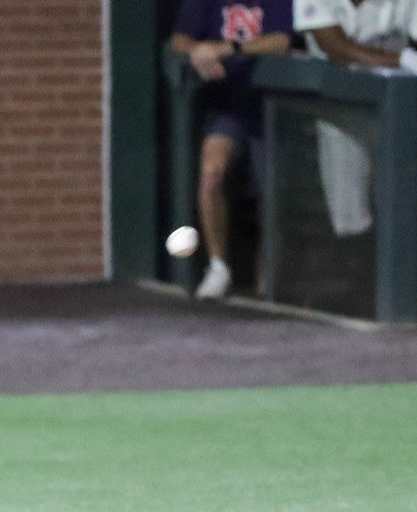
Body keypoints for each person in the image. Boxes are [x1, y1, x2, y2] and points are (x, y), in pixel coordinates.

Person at [171, 0, 294, 299]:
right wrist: (198, 52)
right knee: (211, 174)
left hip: (273, 105)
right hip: (227, 107)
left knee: (272, 195)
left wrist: (228, 48)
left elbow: (282, 40)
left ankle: (268, 277)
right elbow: (179, 39)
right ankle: (218, 267)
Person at [294, 0, 417, 237]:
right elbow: (335, 47)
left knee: (401, 209)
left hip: (396, 114)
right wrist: (403, 59)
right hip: (338, 113)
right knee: (350, 221)